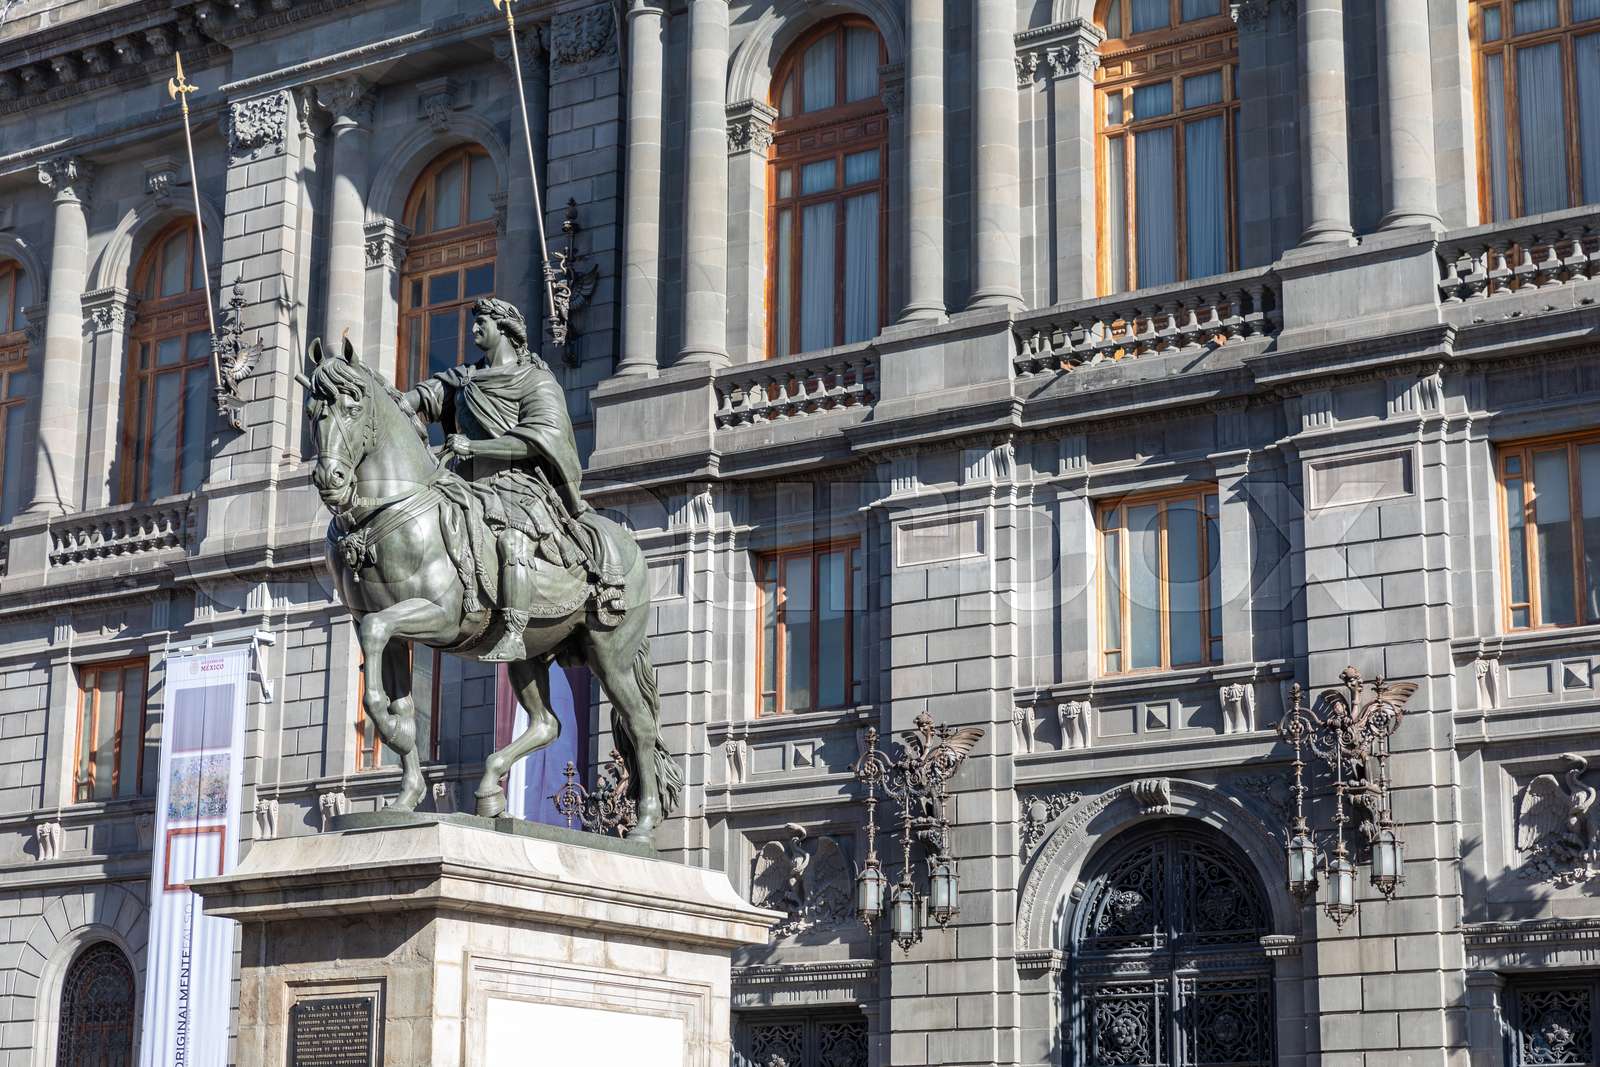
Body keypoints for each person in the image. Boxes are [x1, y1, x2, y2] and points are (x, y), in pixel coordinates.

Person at [400, 297, 622, 660]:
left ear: (503, 329)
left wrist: (473, 446)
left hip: (519, 484)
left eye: (481, 323)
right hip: (466, 483)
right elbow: (425, 396)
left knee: (512, 540)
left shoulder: (536, 382)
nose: (473, 329)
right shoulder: (465, 378)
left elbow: (538, 439)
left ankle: (516, 632)